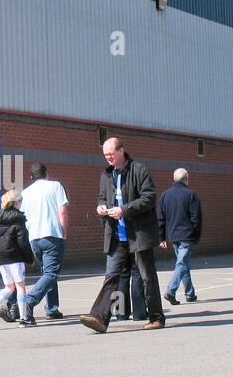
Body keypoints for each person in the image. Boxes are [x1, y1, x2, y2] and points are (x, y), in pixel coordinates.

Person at [80, 138, 166, 333]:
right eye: (105, 155)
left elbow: (149, 197)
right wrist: (101, 206)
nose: (108, 158)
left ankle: (156, 317)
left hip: (138, 233)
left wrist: (124, 210)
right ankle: (99, 318)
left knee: (147, 276)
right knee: (111, 275)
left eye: (111, 154)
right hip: (116, 234)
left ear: (121, 151)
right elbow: (103, 196)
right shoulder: (106, 175)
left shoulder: (139, 170)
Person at [17, 162, 70, 320]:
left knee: (47, 273)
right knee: (51, 273)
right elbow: (63, 210)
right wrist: (64, 232)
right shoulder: (55, 186)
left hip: (34, 237)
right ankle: (29, 301)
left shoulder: (25, 193)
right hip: (52, 234)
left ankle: (52, 308)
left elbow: (22, 217)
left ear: (32, 177)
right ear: (47, 173)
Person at [0, 189, 36, 328]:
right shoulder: (18, 219)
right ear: (16, 202)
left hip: (1, 257)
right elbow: (22, 242)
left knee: (9, 287)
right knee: (20, 287)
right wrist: (29, 258)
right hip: (15, 257)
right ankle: (24, 318)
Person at [157, 167, 203, 304]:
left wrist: (162, 237)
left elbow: (161, 218)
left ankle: (190, 293)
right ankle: (171, 291)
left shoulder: (165, 195)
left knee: (183, 263)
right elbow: (197, 218)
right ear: (186, 179)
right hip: (187, 235)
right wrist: (196, 234)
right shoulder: (191, 195)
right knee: (182, 264)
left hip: (174, 236)